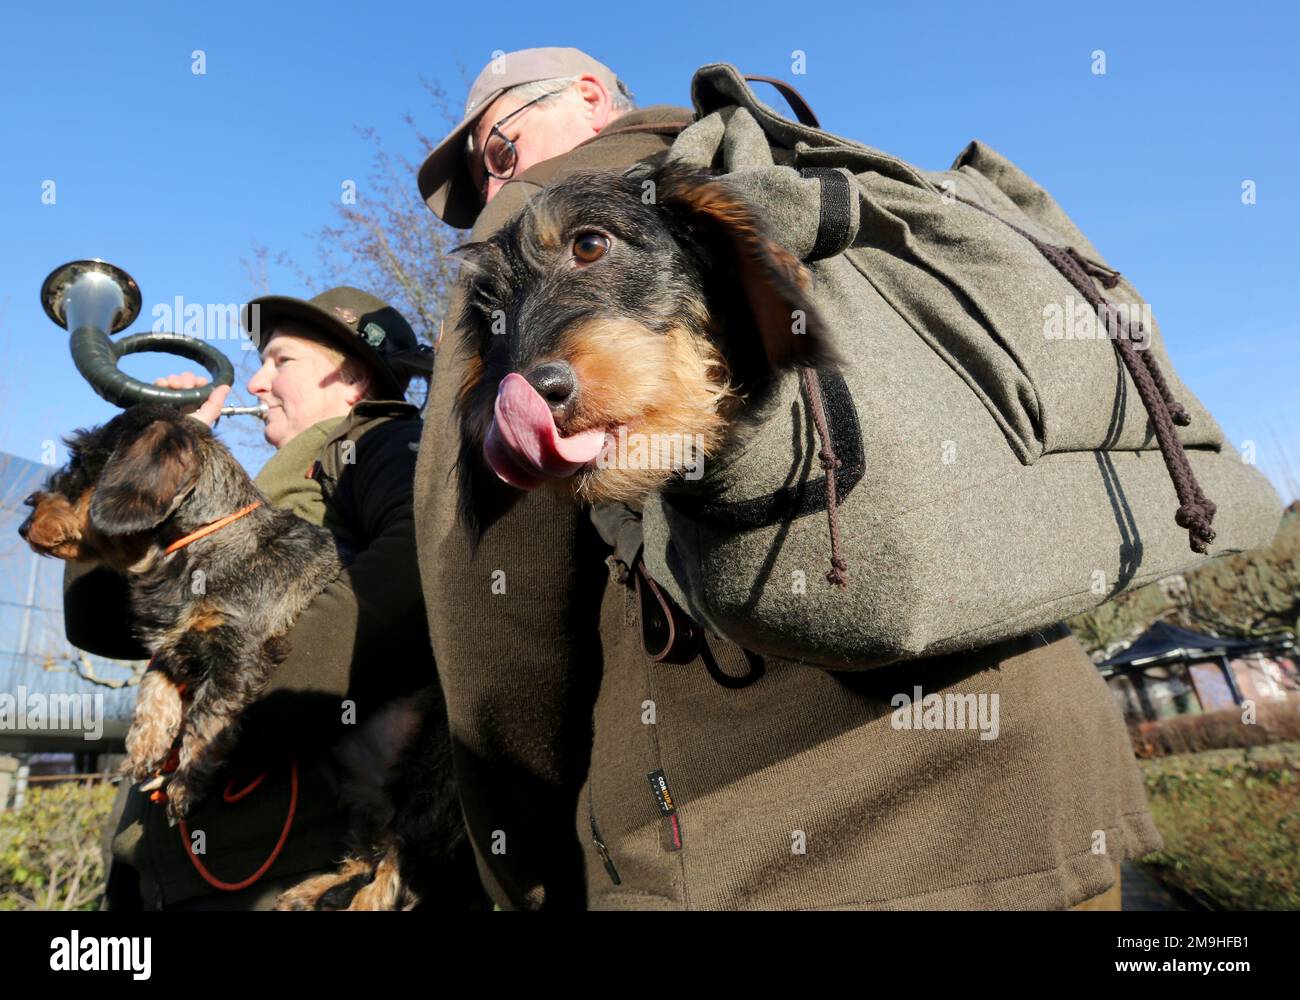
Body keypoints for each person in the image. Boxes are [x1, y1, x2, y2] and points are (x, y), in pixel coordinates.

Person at [412, 46, 1160, 910]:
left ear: (588, 95)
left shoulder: (534, 231)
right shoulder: (805, 174)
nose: (496, 177)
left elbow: (494, 616)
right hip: (1052, 784)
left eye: (498, 145)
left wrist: (526, 875)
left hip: (767, 846)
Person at [65, 287, 442, 910]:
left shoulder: (383, 442)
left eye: (281, 361)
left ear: (352, 376)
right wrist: (140, 465)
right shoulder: (237, 496)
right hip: (162, 872)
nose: (257, 382)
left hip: (282, 872)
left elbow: (414, 566)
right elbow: (98, 624)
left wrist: (232, 711)